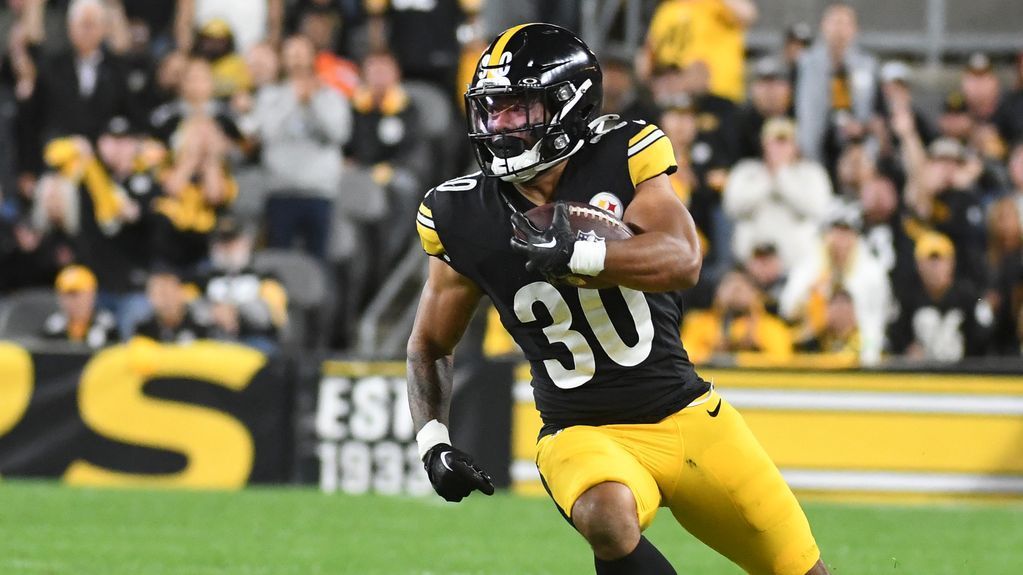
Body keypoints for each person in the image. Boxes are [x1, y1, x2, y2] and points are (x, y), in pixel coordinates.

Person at [407, 24, 828, 575]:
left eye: (517, 109)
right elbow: (430, 343)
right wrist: (433, 441)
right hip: (578, 431)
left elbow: (683, 259)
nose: (498, 125)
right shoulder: (461, 214)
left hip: (688, 414)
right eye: (492, 110)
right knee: (607, 513)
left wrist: (583, 255)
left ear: (568, 105)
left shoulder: (622, 154)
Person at [887, 232, 993, 361]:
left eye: (940, 261)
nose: (935, 268)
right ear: (918, 265)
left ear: (951, 263)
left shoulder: (968, 295)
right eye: (929, 262)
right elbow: (895, 333)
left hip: (964, 375)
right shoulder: (906, 297)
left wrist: (968, 357)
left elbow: (983, 334)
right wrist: (907, 350)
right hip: (920, 376)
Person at [41, 264, 119, 348]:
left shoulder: (107, 325)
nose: (71, 301)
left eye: (76, 294)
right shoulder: (53, 326)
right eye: (65, 295)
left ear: (91, 295)